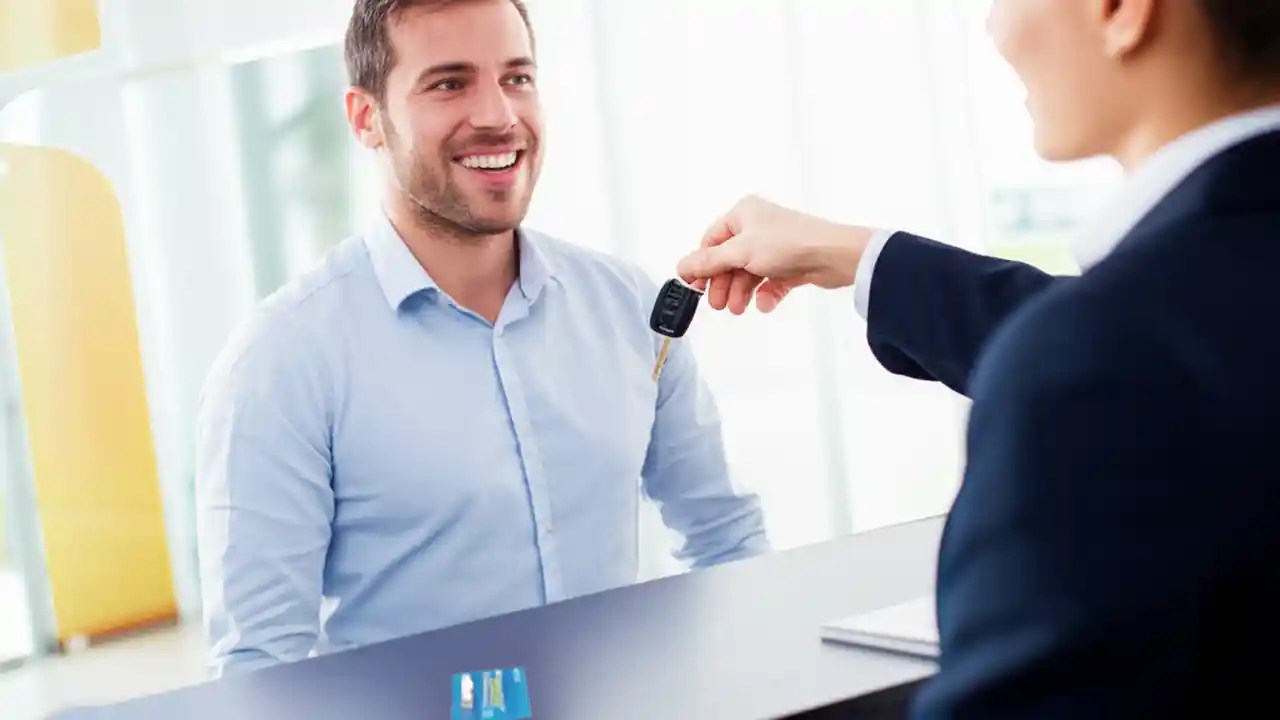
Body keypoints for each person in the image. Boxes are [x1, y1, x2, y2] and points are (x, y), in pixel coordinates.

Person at [677, 0, 1280, 716]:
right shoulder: (1170, 324)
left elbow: (1139, 363)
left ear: (1122, 11)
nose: (994, 29)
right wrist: (853, 253)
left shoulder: (1098, 361)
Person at [195, 0, 768, 677]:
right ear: (365, 119)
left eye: (517, 77)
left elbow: (725, 538)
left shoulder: (627, 309)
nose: (498, 114)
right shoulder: (282, 361)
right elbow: (261, 667)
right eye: (449, 82)